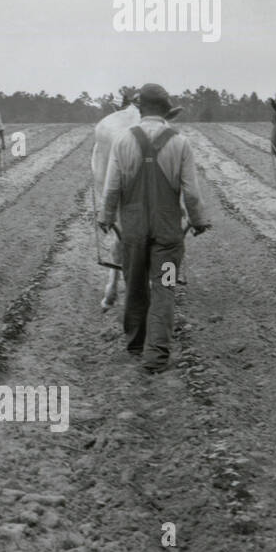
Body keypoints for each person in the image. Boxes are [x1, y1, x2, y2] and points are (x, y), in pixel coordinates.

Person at [98, 83, 210, 374]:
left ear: (140, 108)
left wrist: (107, 217)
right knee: (166, 288)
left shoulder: (123, 140)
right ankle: (157, 357)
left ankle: (135, 346)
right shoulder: (180, 142)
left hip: (133, 233)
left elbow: (111, 187)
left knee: (134, 285)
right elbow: (192, 192)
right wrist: (198, 221)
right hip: (169, 236)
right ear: (166, 111)